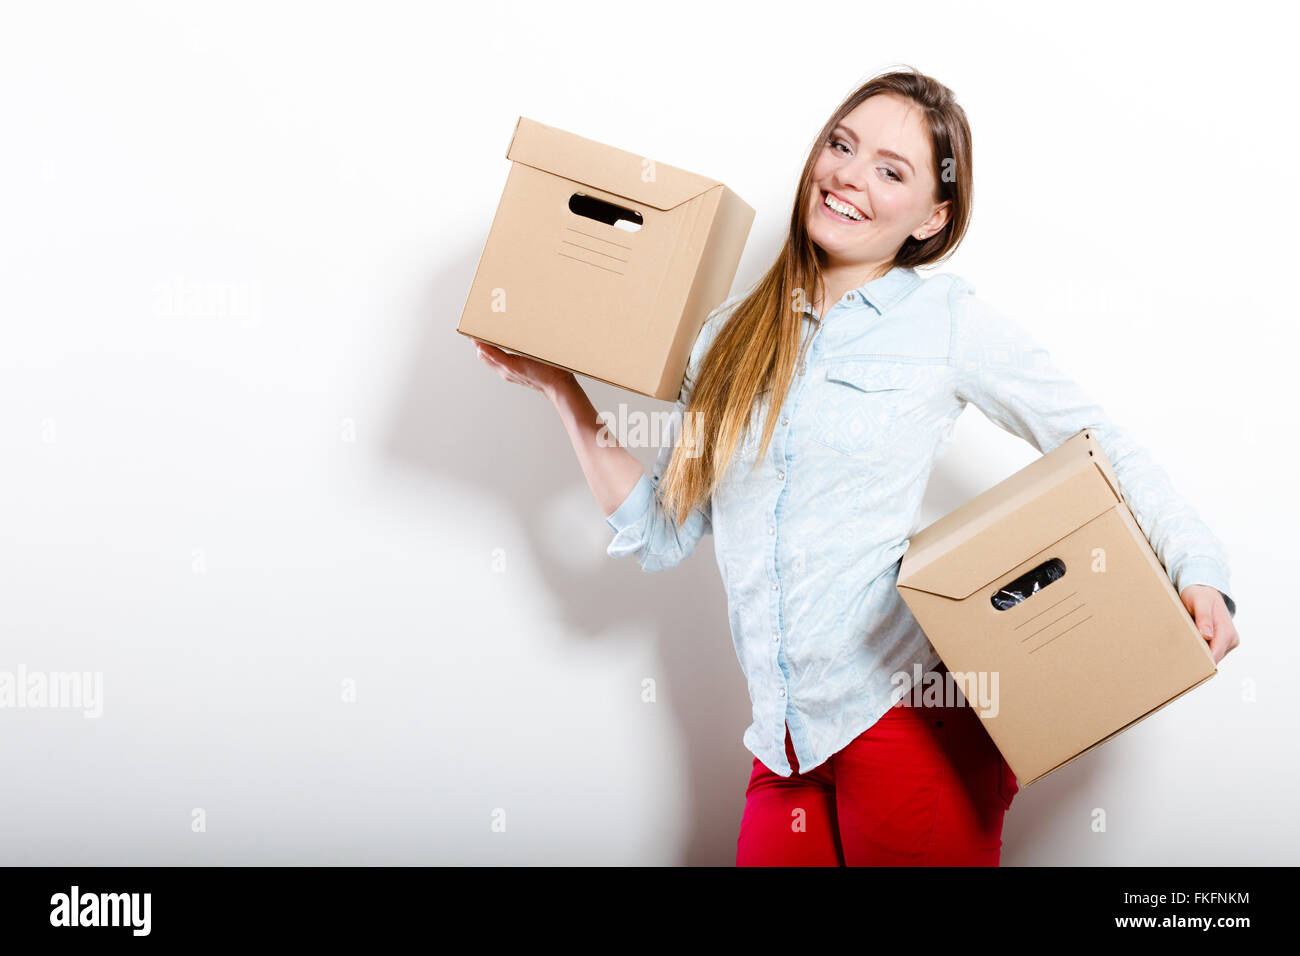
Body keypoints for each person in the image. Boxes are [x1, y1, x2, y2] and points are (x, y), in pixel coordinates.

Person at [469, 67, 1241, 866]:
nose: (849, 175)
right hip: (786, 744)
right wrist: (564, 391)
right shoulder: (728, 336)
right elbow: (666, 531)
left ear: (932, 216)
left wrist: (1197, 567)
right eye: (842, 145)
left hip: (909, 722)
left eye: (890, 169)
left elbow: (1096, 442)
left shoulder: (947, 324)